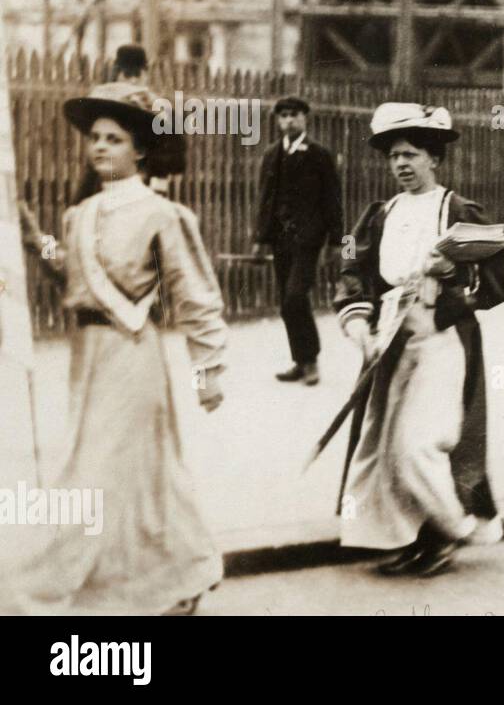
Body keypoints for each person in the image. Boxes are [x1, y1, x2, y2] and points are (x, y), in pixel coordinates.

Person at [8, 82, 227, 614]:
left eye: (113, 139)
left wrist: (207, 373)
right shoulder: (77, 216)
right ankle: (181, 572)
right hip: (87, 357)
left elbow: (195, 295)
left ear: (141, 150)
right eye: (95, 139)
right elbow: (71, 272)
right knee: (140, 472)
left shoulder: (163, 215)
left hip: (134, 354)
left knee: (95, 472)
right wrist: (36, 237)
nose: (99, 148)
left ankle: (42, 589)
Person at [332, 102, 504, 577]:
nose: (401, 164)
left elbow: (497, 282)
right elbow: (353, 273)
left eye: (411, 154)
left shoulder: (456, 210)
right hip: (395, 348)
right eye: (394, 156)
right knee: (386, 447)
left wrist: (454, 280)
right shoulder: (381, 214)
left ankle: (456, 526)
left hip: (442, 344)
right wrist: (358, 325)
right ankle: (415, 538)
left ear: (434, 158)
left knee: (419, 445)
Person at [254, 96, 344, 386]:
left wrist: (336, 241)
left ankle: (312, 361)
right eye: (283, 116)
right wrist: (260, 239)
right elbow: (265, 200)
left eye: (294, 115)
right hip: (281, 239)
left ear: (305, 118)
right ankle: (300, 361)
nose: (288, 121)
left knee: (295, 296)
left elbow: (332, 198)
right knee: (286, 301)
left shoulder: (319, 154)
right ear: (278, 121)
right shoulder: (271, 154)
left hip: (308, 239)